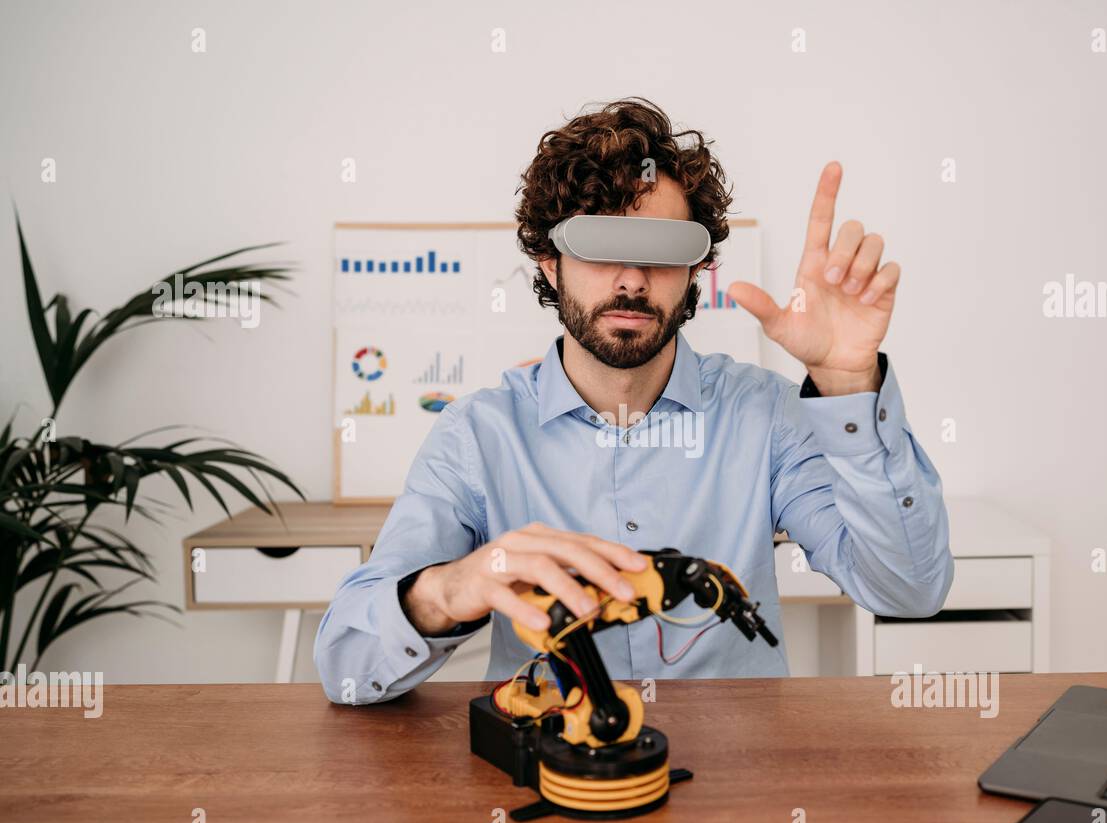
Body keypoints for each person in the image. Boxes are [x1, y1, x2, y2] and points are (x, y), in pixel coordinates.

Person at [314, 97, 953, 704]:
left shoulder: (766, 418)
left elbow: (909, 591)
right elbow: (347, 667)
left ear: (697, 270)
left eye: (661, 251)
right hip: (551, 773)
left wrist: (848, 385)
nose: (631, 279)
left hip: (736, 787)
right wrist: (446, 591)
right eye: (599, 248)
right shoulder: (476, 436)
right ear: (548, 260)